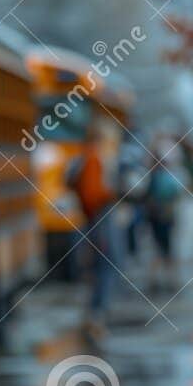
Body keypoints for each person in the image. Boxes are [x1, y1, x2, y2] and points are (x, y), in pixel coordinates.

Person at [65, 120, 123, 339]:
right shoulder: (95, 160)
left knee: (98, 268)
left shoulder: (83, 158)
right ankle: (97, 314)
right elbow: (94, 194)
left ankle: (94, 313)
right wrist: (113, 194)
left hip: (92, 221)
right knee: (108, 266)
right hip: (101, 220)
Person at [139, 134, 188, 291]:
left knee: (157, 246)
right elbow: (178, 191)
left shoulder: (151, 175)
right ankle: (170, 278)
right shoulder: (168, 176)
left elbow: (143, 195)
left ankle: (156, 278)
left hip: (155, 215)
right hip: (166, 214)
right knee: (167, 246)